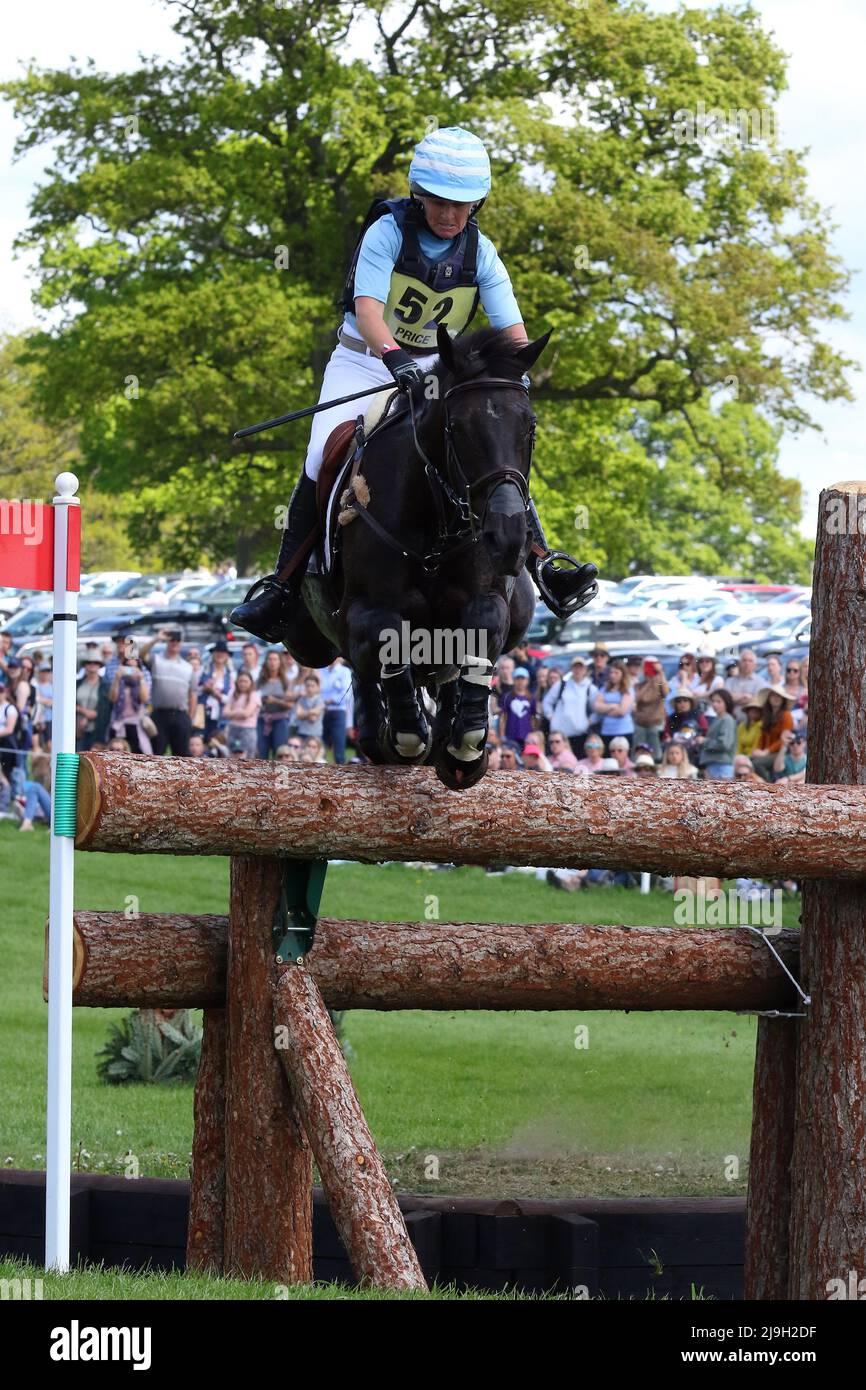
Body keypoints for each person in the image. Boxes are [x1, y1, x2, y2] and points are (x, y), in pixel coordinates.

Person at [230, 126, 597, 643]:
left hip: (440, 370)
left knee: (494, 453)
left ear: (478, 205)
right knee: (320, 454)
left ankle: (542, 563)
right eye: (438, 203)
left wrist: (513, 376)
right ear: (419, 196)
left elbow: (513, 332)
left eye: (461, 206)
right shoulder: (387, 233)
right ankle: (283, 586)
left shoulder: (482, 254)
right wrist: (396, 361)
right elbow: (368, 312)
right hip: (364, 360)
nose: (449, 215)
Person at [138, 629, 198, 756]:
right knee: (156, 754)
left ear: (181, 643)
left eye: (177, 640)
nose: (174, 643)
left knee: (182, 757)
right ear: (167, 642)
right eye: (172, 640)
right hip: (159, 715)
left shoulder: (187, 667)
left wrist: (189, 718)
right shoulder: (157, 660)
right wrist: (156, 639)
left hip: (180, 715)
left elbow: (193, 694)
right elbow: (141, 654)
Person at [541, 655, 594, 757]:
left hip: (580, 734)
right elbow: (547, 702)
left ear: (585, 670)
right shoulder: (562, 685)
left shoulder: (590, 687)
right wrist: (551, 716)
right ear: (572, 669)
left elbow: (596, 709)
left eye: (580, 667)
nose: (578, 670)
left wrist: (590, 721)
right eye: (575, 667)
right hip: (561, 735)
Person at [108, 651, 153, 753]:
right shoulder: (119, 682)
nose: (131, 670)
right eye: (128, 666)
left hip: (136, 726)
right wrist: (117, 678)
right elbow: (112, 698)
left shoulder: (142, 682)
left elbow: (144, 698)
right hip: (119, 724)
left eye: (134, 667)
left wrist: (141, 678)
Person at [751, 684, 795, 779]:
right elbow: (762, 737)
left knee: (757, 763)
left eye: (779, 696)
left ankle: (769, 785)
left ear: (783, 699)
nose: (776, 698)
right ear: (769, 698)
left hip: (781, 753)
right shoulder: (767, 715)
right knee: (748, 760)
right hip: (768, 752)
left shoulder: (786, 715)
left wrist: (766, 751)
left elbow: (784, 739)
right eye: (773, 695)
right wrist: (759, 749)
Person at [257, 649, 294, 759]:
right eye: (270, 659)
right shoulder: (260, 681)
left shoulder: (285, 682)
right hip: (263, 719)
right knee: (262, 753)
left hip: (280, 720)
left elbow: (290, 705)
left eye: (275, 659)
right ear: (266, 662)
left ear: (279, 662)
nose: (272, 662)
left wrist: (275, 701)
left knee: (279, 753)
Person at [632, 657, 669, 762]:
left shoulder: (660, 684)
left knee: (656, 755)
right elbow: (637, 698)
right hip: (640, 723)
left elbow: (666, 693)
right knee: (638, 753)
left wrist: (660, 673)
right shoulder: (638, 685)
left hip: (655, 724)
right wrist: (649, 682)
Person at [199, 640, 235, 743]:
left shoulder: (231, 674)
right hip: (204, 713)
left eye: (223, 652)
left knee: (219, 743)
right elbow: (196, 690)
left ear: (227, 655)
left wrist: (215, 693)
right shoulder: (205, 670)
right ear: (213, 654)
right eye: (217, 652)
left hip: (221, 715)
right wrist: (205, 688)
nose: (220, 655)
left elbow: (231, 698)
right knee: (203, 741)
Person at [593, 662, 634, 751]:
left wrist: (605, 709)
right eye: (611, 672)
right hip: (607, 731)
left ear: (622, 674)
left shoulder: (628, 689)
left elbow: (622, 711)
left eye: (616, 673)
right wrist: (613, 706)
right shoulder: (604, 688)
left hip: (623, 730)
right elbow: (597, 706)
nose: (613, 675)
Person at [698, 688, 737, 779]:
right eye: (713, 701)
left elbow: (724, 744)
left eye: (719, 701)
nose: (715, 704)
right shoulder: (718, 719)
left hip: (721, 765)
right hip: (714, 764)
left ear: (726, 703)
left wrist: (704, 741)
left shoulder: (727, 719)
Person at [319, 658, 353, 765]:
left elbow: (346, 693)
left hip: (337, 712)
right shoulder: (321, 670)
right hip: (321, 711)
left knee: (339, 747)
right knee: (320, 746)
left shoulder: (344, 671)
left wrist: (331, 700)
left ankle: (341, 774)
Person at [223, 671, 262, 757]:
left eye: (245, 681)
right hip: (233, 729)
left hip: (247, 730)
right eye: (241, 681)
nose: (243, 684)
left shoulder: (254, 695)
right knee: (231, 755)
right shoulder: (233, 694)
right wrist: (240, 711)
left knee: (248, 756)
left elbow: (246, 714)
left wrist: (233, 713)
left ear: (251, 683)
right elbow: (225, 712)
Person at [498, 667, 536, 746]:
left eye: (523, 678)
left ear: (527, 680)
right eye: (517, 678)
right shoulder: (507, 697)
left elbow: (533, 718)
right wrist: (502, 735)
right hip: (510, 736)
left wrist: (534, 733)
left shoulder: (531, 698)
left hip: (527, 736)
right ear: (513, 680)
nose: (520, 681)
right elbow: (503, 717)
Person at [725, 648, 762, 719]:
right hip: (731, 721)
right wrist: (746, 696)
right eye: (744, 660)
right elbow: (726, 698)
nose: (747, 663)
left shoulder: (761, 683)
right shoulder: (729, 681)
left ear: (755, 665)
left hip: (750, 724)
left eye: (750, 661)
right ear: (739, 664)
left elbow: (758, 701)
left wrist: (734, 698)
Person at [75, 657, 103, 751]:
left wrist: (95, 714)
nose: (92, 665)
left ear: (99, 665)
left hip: (97, 729)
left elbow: (107, 706)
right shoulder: (77, 683)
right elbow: (69, 703)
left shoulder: (104, 685)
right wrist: (84, 711)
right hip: (78, 729)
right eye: (88, 662)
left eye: (95, 662)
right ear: (84, 665)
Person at [295, 673, 325, 742]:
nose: (310, 688)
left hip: (315, 734)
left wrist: (303, 713)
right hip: (302, 732)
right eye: (307, 685)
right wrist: (311, 712)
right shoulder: (301, 700)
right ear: (304, 686)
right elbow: (298, 715)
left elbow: (313, 719)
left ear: (317, 687)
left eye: (312, 686)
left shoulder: (319, 700)